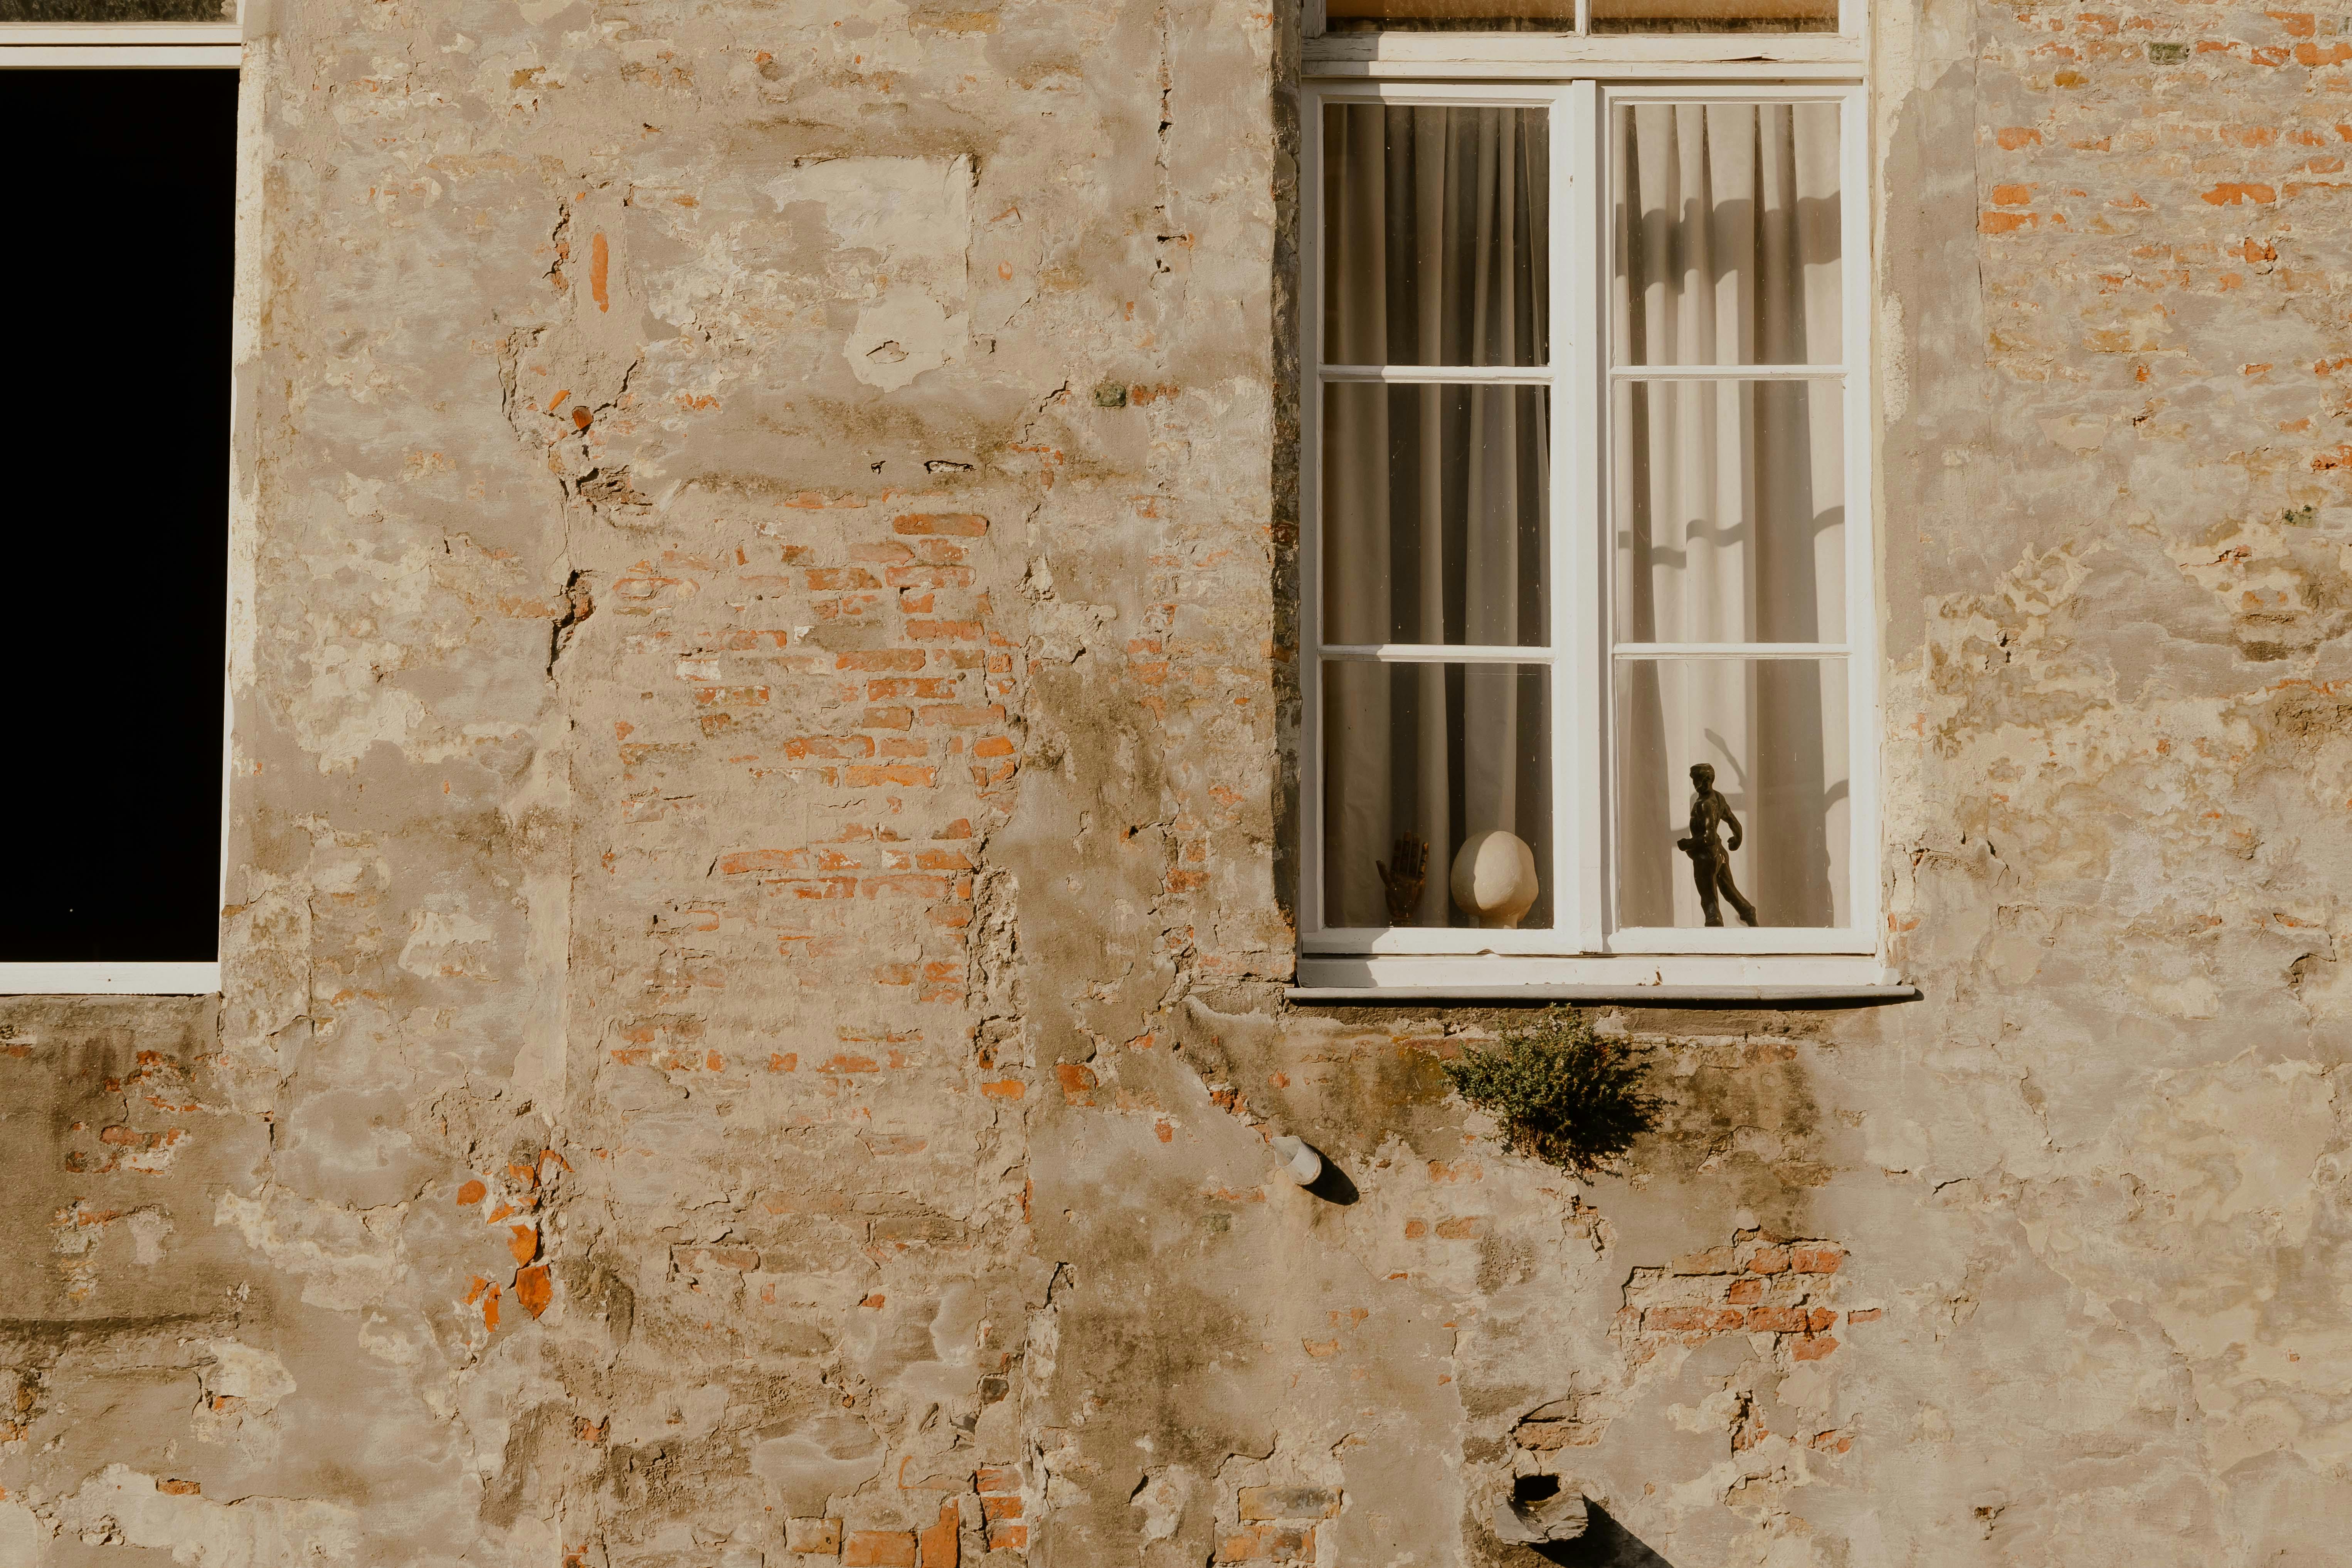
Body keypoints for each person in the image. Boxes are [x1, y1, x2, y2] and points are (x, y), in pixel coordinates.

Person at [1676, 762, 1758, 927]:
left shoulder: (1704, 804)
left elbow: (1709, 838)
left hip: (1706, 857)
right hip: (1720, 854)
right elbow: (1733, 820)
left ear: (1705, 780)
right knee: (1729, 890)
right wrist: (1737, 837)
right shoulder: (1718, 797)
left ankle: (1714, 929)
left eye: (1696, 780)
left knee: (1708, 897)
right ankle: (1749, 915)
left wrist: (1687, 844)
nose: (1695, 784)